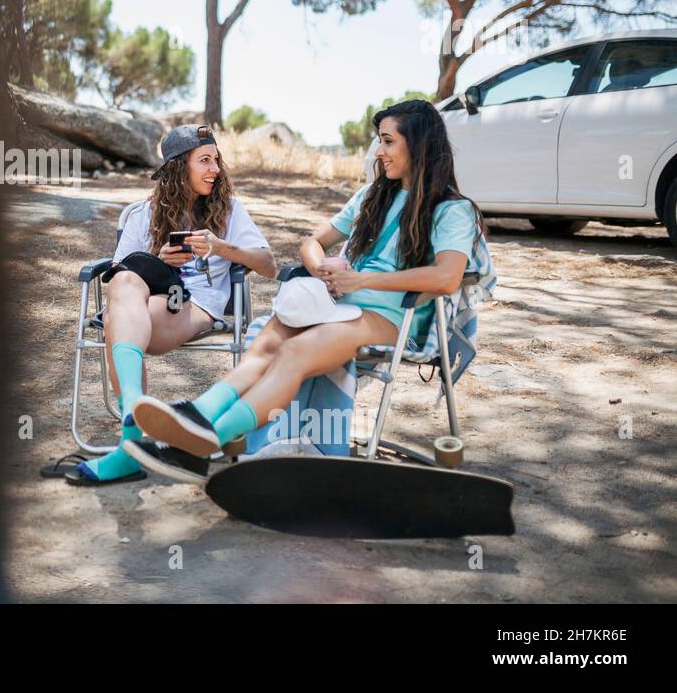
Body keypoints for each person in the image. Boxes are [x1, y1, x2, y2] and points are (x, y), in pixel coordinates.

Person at [126, 100, 483, 482]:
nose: (379, 152)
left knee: (293, 350)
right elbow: (313, 242)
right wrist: (322, 268)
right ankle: (198, 416)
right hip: (334, 302)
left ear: (420, 144)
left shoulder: (451, 209)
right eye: (380, 141)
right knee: (265, 342)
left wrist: (362, 281)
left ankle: (205, 444)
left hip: (388, 317)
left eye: (388, 142)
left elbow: (447, 277)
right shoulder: (370, 197)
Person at [64, 124, 277, 486]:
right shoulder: (142, 214)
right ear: (180, 167)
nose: (215, 169)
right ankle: (134, 408)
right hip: (145, 303)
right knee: (125, 282)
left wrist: (221, 247)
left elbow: (269, 266)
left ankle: (128, 440)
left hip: (192, 306)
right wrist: (157, 258)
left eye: (216, 161)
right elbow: (120, 271)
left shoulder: (230, 211)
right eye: (204, 161)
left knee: (118, 318)